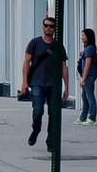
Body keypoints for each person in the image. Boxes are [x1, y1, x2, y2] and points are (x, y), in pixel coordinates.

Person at [19, 17, 68, 146]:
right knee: (38, 111)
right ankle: (36, 129)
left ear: (54, 29)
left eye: (51, 26)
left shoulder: (58, 46)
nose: (48, 28)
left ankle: (51, 140)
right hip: (37, 83)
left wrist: (67, 87)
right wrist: (24, 82)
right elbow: (26, 62)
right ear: (43, 26)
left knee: (53, 112)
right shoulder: (34, 43)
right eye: (46, 26)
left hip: (53, 84)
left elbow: (64, 66)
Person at [76, 28, 97, 125]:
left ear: (88, 37)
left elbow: (87, 65)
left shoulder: (90, 48)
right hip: (88, 75)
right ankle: (83, 117)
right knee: (84, 96)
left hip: (89, 75)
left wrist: (84, 78)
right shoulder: (88, 48)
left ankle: (92, 117)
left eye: (83, 35)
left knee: (89, 96)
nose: (81, 37)